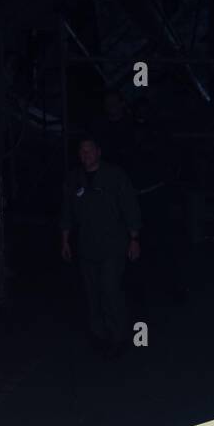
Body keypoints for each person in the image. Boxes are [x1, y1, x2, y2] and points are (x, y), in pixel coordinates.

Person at [60, 137, 141, 358]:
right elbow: (67, 211)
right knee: (92, 292)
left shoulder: (115, 176)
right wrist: (65, 240)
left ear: (98, 152)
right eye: (81, 152)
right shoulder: (74, 179)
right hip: (87, 246)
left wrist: (134, 238)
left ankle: (118, 335)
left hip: (112, 245)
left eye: (89, 151)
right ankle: (99, 335)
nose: (85, 156)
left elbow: (129, 206)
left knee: (109, 289)